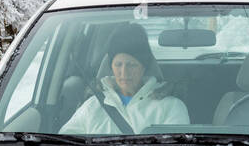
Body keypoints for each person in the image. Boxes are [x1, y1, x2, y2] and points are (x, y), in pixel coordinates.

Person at [60, 23, 189, 134]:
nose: (124, 72)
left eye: (131, 65)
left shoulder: (170, 107)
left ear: (144, 67)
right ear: (110, 66)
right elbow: (65, 144)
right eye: (118, 65)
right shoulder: (93, 106)